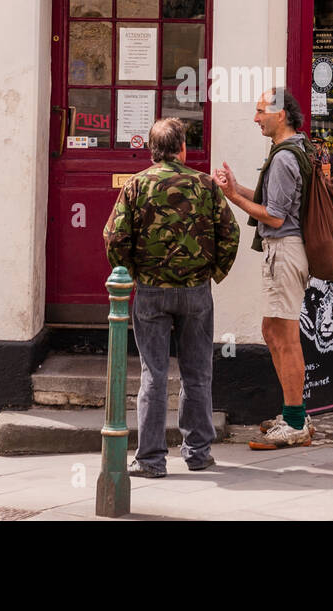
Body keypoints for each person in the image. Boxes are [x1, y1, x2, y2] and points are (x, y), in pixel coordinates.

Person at [103, 117, 240, 478]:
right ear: (182, 148)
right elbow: (231, 233)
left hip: (151, 292)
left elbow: (114, 237)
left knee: (154, 374)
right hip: (195, 292)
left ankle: (150, 459)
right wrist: (214, 273)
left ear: (152, 150)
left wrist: (131, 273)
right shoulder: (206, 186)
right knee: (197, 373)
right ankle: (197, 452)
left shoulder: (136, 185)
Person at [216, 88, 315, 449]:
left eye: (261, 112)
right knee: (273, 331)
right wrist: (237, 187)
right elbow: (271, 202)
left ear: (281, 115)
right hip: (286, 252)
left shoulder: (285, 158)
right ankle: (295, 413)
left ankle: (294, 423)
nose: (256, 118)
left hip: (284, 252)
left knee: (285, 338)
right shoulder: (290, 151)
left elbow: (274, 217)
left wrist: (233, 198)